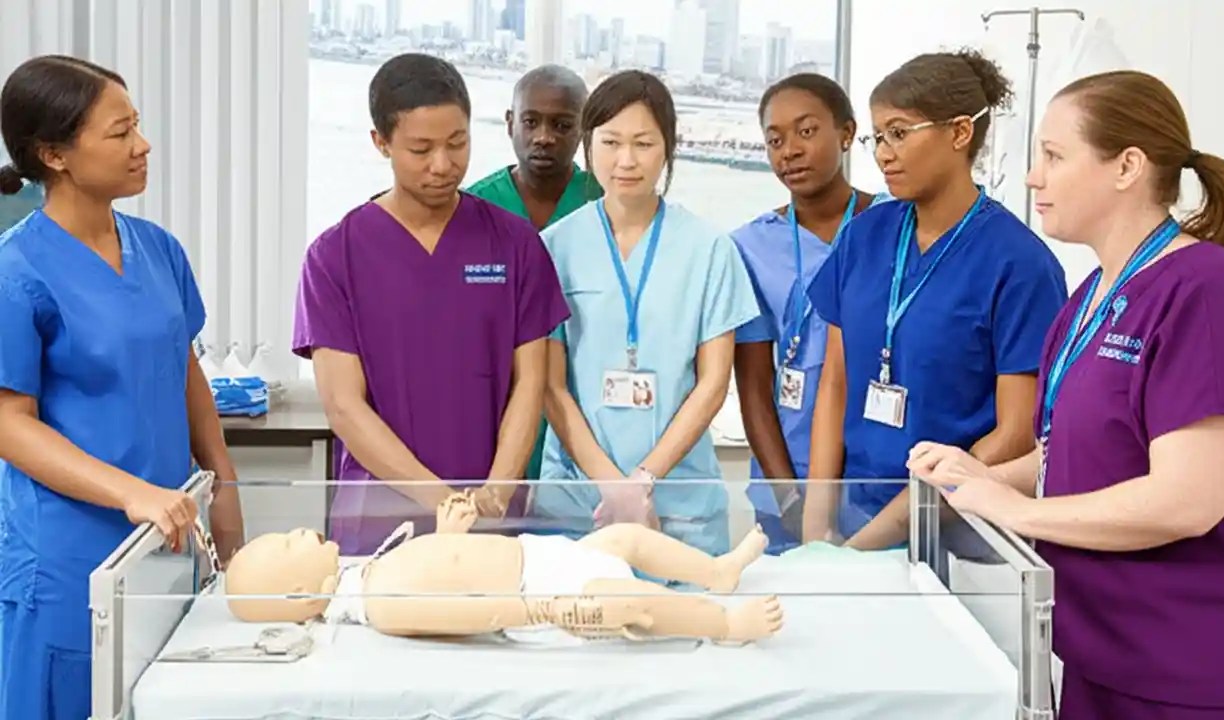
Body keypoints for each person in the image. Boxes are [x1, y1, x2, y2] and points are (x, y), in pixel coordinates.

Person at [910, 70, 1224, 719]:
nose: (1033, 177)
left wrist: (1014, 512)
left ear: (1127, 166)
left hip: (1195, 667)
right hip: (1096, 652)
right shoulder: (1089, 300)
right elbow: (1075, 456)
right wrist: (982, 475)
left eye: (1054, 156)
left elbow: (1188, 501)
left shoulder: (1209, 290)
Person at [0, 55, 244, 719]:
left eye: (137, 125)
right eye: (120, 132)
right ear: (54, 154)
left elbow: (183, 365)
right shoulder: (17, 272)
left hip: (165, 541)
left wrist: (221, 481)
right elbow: (8, 423)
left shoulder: (157, 248)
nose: (143, 145)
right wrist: (130, 492)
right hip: (69, 557)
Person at [292, 53, 570, 555]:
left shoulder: (514, 244)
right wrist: (444, 501)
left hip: (490, 517)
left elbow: (531, 381)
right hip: (378, 524)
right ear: (381, 143)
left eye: (457, 143)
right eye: (421, 149)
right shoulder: (335, 256)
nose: (443, 165)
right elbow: (344, 407)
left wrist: (497, 489)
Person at [802, 50, 1067, 549]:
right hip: (855, 513)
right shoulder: (864, 237)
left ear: (960, 133)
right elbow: (834, 382)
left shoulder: (1020, 265)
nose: (882, 153)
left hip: (963, 529)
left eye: (899, 133)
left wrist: (887, 531)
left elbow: (1015, 434)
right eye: (877, 136)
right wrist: (818, 526)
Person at [532, 70, 761, 556]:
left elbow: (713, 384)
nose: (627, 160)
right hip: (580, 499)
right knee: (572, 623)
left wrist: (642, 481)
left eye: (644, 143)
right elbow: (550, 387)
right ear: (588, 144)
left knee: (691, 622)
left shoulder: (709, 250)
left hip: (679, 502)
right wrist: (613, 488)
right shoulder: (554, 248)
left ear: (668, 148)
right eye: (611, 142)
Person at [223, 492, 781, 644]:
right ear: (302, 596)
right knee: (630, 603)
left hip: (543, 555)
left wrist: (448, 538)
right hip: (541, 593)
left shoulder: (367, 570)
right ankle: (724, 625)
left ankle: (717, 572)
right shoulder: (380, 605)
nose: (295, 530)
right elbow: (473, 612)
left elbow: (442, 571)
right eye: (283, 544)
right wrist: (543, 610)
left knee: (627, 538)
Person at [731, 73, 884, 555]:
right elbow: (753, 385)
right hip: (788, 468)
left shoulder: (893, 227)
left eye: (806, 131)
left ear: (846, 133)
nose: (789, 151)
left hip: (878, 476)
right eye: (774, 140)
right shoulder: (751, 246)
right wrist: (788, 496)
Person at [467, 64, 603, 481]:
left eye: (562, 125)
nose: (544, 136)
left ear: (582, 131)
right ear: (510, 123)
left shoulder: (604, 204)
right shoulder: (473, 210)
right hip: (492, 402)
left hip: (583, 405)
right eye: (531, 121)